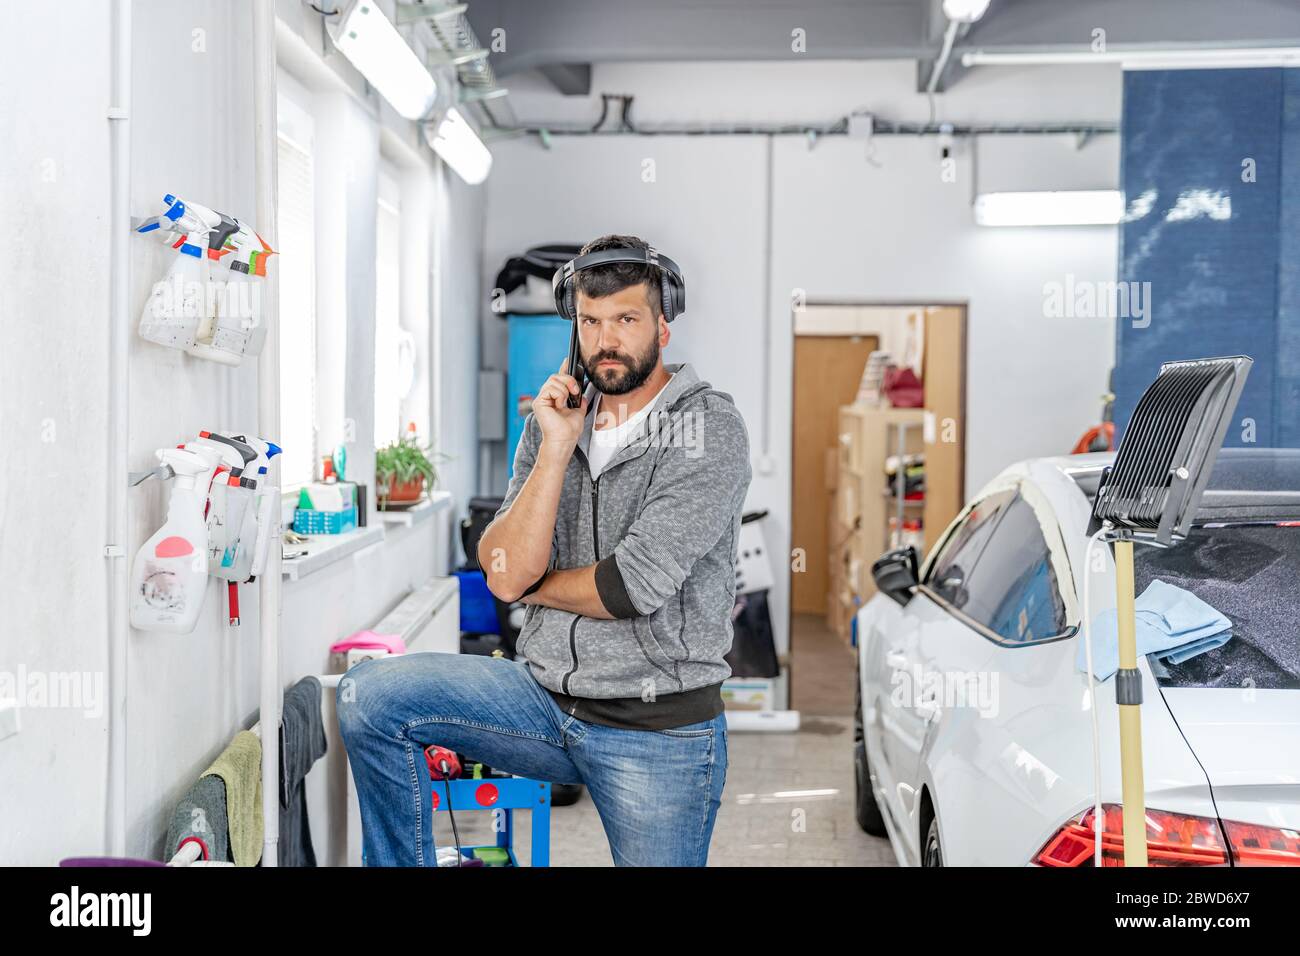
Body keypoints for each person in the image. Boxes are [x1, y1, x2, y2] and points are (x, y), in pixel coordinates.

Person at [338, 234, 752, 866]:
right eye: (590, 321)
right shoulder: (554, 421)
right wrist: (556, 445)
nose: (606, 339)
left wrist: (535, 584)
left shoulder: (707, 428)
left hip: (657, 728)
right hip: (542, 700)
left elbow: (629, 587)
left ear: (663, 328)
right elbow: (502, 572)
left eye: (626, 319)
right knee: (371, 696)